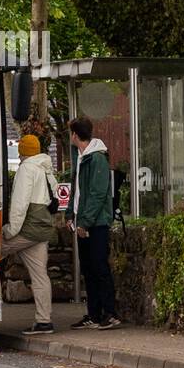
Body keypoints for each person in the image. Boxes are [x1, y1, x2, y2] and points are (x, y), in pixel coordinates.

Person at [65, 116, 120, 330]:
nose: (70, 136)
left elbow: (97, 194)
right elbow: (76, 191)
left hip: (96, 224)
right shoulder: (81, 157)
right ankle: (94, 314)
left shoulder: (96, 159)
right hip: (83, 220)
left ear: (76, 135)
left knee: (99, 267)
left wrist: (84, 222)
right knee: (88, 269)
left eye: (71, 133)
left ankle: (110, 312)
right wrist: (71, 214)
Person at [2, 134, 58, 335]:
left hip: (27, 229)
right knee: (40, 275)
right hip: (42, 229)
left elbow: (19, 205)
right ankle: (44, 321)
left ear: (22, 151)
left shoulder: (26, 169)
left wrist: (9, 231)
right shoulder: (45, 168)